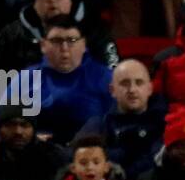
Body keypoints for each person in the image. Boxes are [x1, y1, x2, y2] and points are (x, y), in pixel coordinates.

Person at [12, 14, 113, 144]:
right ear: (43, 45)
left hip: (90, 157)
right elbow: (3, 125)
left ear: (84, 44)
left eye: (71, 40)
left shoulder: (106, 78)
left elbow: (117, 124)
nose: (64, 48)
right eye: (56, 41)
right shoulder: (25, 79)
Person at [77, 59, 167, 180]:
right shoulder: (99, 124)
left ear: (150, 89)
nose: (132, 90)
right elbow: (73, 158)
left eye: (139, 83)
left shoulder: (165, 124)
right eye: (125, 83)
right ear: (112, 90)